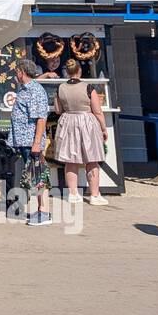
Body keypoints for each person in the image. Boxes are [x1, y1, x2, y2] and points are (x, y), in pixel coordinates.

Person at [53, 58, 109, 206]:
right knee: (92, 158)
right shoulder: (88, 87)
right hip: (86, 121)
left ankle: (72, 193)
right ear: (79, 71)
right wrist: (103, 128)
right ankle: (95, 195)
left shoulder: (60, 88)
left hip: (68, 121)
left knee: (71, 159)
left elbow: (58, 110)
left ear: (67, 71)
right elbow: (97, 111)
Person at [10, 59, 52, 226]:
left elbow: (41, 119)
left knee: (38, 176)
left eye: (17, 72)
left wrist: (36, 143)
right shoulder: (25, 89)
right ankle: (41, 209)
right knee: (34, 177)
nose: (15, 75)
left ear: (22, 71)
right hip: (24, 140)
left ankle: (44, 211)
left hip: (30, 141)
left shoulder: (34, 90)